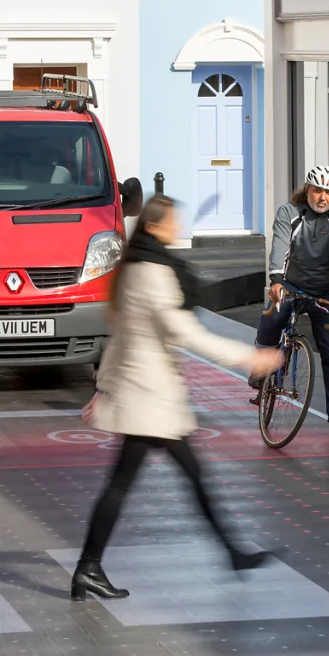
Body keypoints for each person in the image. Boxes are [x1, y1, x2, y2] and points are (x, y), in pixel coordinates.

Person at [73, 194, 284, 601]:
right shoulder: (154, 274)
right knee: (150, 482)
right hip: (151, 400)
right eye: (172, 221)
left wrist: (103, 390)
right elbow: (185, 334)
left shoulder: (131, 270)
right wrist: (249, 357)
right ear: (155, 226)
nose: (177, 227)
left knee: (153, 481)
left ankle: (91, 567)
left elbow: (119, 339)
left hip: (144, 398)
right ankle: (90, 567)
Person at [250, 165, 329, 439]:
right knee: (271, 317)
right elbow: (281, 247)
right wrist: (276, 281)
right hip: (291, 284)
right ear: (307, 189)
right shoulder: (289, 211)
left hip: (324, 293)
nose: (323, 197)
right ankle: (260, 369)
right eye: (318, 190)